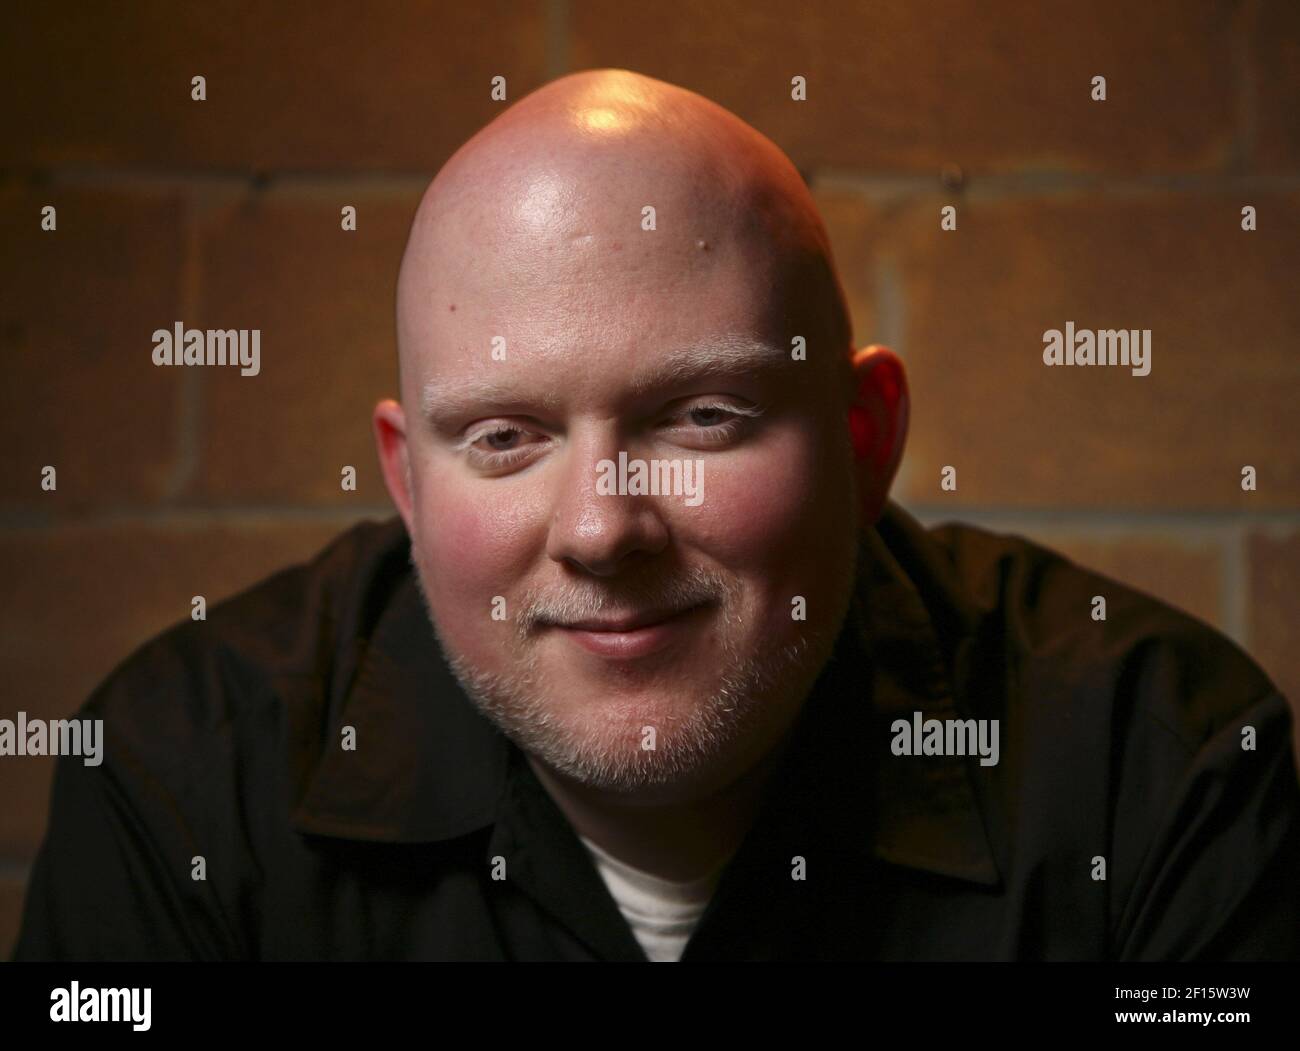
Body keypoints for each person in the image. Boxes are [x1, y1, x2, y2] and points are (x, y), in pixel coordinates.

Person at [13, 69, 1299, 962]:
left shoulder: (1159, 764)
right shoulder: (178, 776)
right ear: (409, 482)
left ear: (866, 442)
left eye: (700, 418)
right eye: (505, 438)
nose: (601, 529)